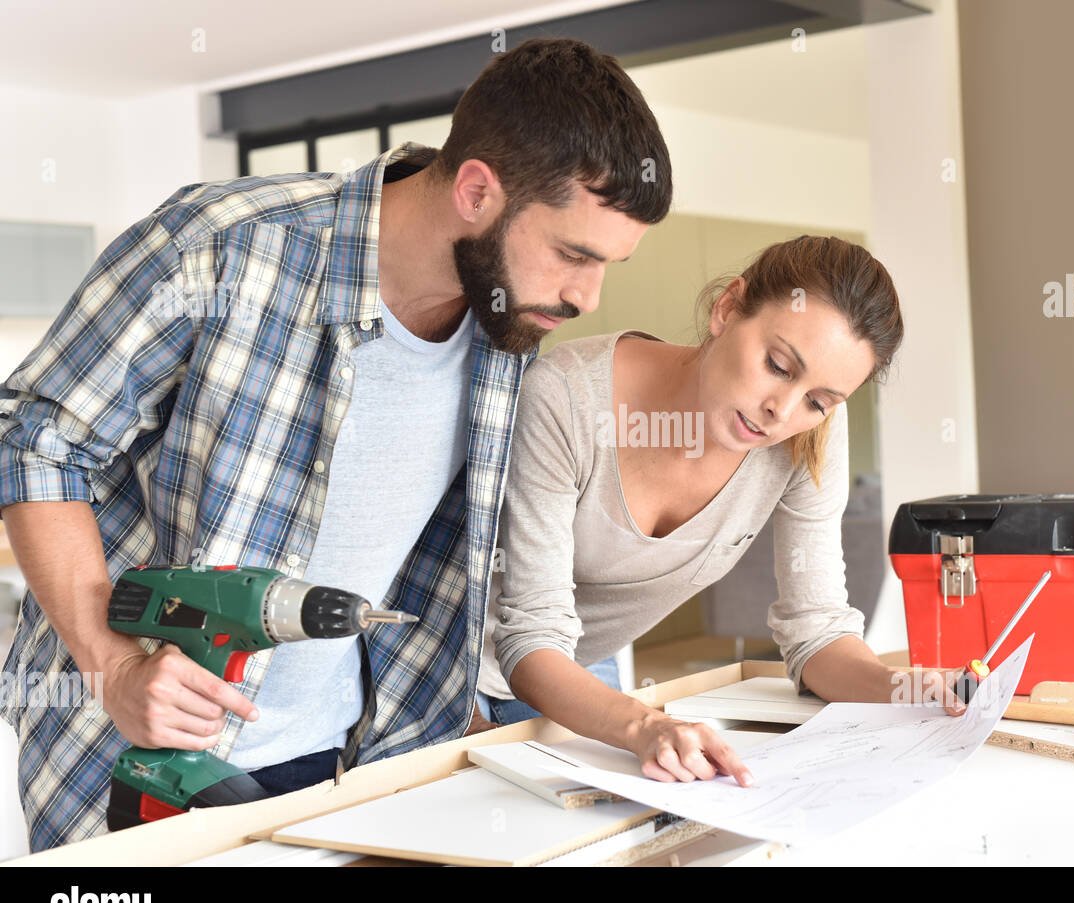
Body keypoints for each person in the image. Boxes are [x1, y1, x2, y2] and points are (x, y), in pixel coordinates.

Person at [0, 37, 671, 851]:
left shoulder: (504, 327)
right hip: (136, 758)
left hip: (363, 759)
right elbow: (37, 442)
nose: (585, 296)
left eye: (610, 266)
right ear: (475, 190)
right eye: (573, 254)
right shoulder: (222, 247)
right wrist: (113, 668)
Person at [475, 236, 964, 784]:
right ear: (727, 308)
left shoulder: (812, 433)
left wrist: (905, 689)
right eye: (778, 365)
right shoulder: (566, 399)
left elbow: (818, 631)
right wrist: (642, 726)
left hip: (581, 675)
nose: (781, 410)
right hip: (456, 673)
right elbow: (530, 637)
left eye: (819, 400)